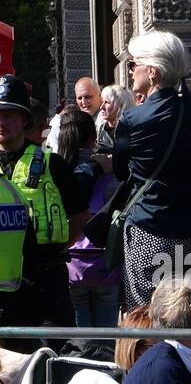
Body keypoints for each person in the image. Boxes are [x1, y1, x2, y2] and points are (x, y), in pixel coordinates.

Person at [113, 30, 191, 311]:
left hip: (149, 226)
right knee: (186, 313)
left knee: (145, 313)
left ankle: (149, 356)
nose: (131, 70)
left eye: (134, 64)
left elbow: (121, 171)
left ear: (154, 72)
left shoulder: (133, 119)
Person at [0, 75, 90, 345]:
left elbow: (78, 215)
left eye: (10, 115)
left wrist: (58, 247)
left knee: (56, 359)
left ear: (25, 120)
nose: (3, 122)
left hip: (47, 280)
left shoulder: (53, 164)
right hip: (4, 290)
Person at [55, 109, 120, 327]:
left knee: (78, 339)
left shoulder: (56, 172)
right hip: (104, 263)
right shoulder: (109, 172)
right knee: (108, 338)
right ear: (93, 137)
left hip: (70, 262)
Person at [96, 84, 135, 153]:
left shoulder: (133, 131)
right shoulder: (100, 129)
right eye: (102, 102)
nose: (101, 107)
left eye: (107, 102)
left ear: (121, 106)